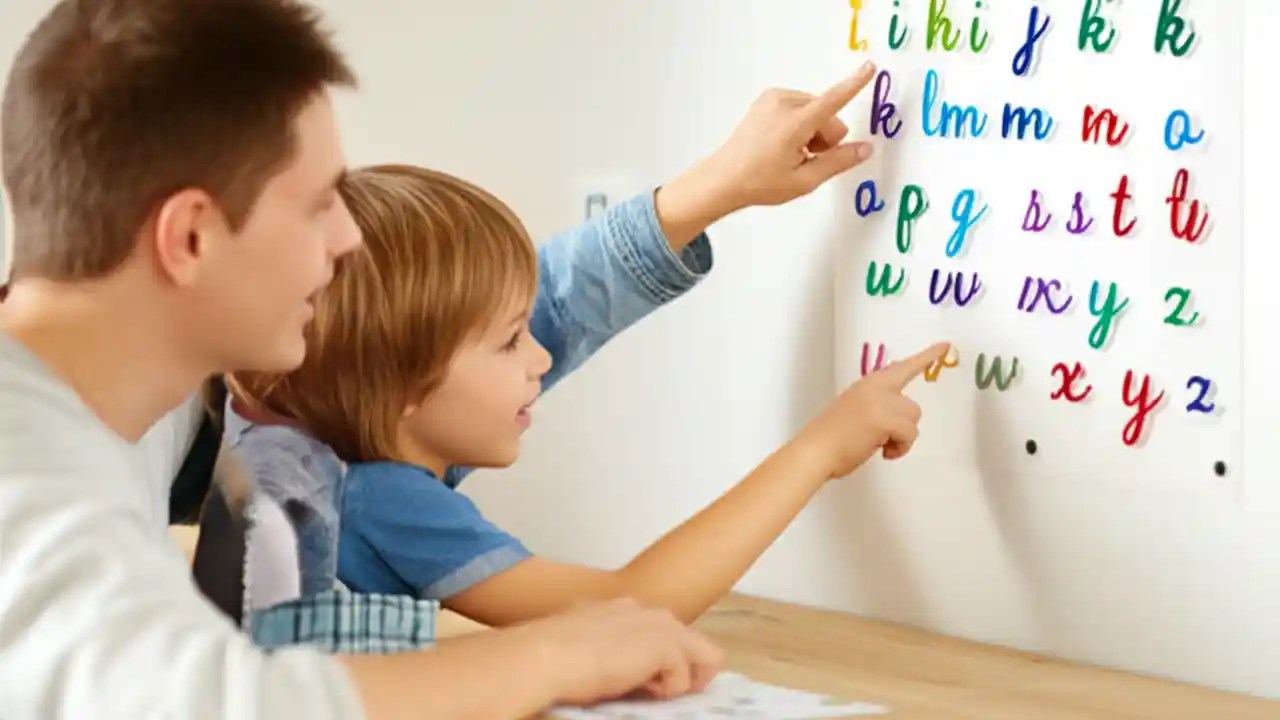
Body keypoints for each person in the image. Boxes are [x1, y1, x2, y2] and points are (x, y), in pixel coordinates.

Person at [0, 1, 903, 718]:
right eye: (318, 205)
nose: (347, 237)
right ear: (191, 238)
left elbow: (451, 333)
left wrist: (711, 190)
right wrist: (550, 653)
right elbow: (209, 705)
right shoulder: (35, 495)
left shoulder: (116, 382)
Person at [228, 163, 948, 629]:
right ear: (405, 388)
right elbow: (632, 609)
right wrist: (818, 449)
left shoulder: (334, 426)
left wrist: (724, 184)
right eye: (511, 340)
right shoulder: (376, 496)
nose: (540, 355)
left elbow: (558, 307)